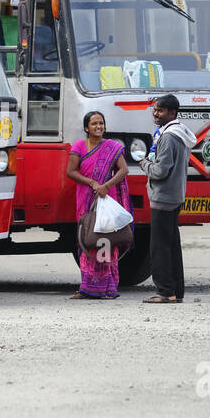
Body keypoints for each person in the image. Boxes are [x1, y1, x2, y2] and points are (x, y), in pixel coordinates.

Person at [64, 110, 131, 299]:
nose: (98, 127)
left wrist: (106, 186)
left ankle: (108, 287)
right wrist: (92, 183)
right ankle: (88, 287)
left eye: (101, 123)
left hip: (105, 199)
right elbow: (71, 171)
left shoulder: (111, 147)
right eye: (94, 124)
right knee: (87, 238)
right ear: (86, 128)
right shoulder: (79, 146)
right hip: (86, 199)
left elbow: (123, 170)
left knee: (106, 240)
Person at [142, 93, 195, 304]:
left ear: (172, 113)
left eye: (160, 110)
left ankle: (165, 291)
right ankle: (176, 291)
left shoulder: (168, 136)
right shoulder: (179, 132)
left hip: (163, 197)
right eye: (155, 109)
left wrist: (145, 164)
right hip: (175, 195)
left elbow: (160, 171)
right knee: (172, 244)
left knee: (160, 246)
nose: (156, 113)